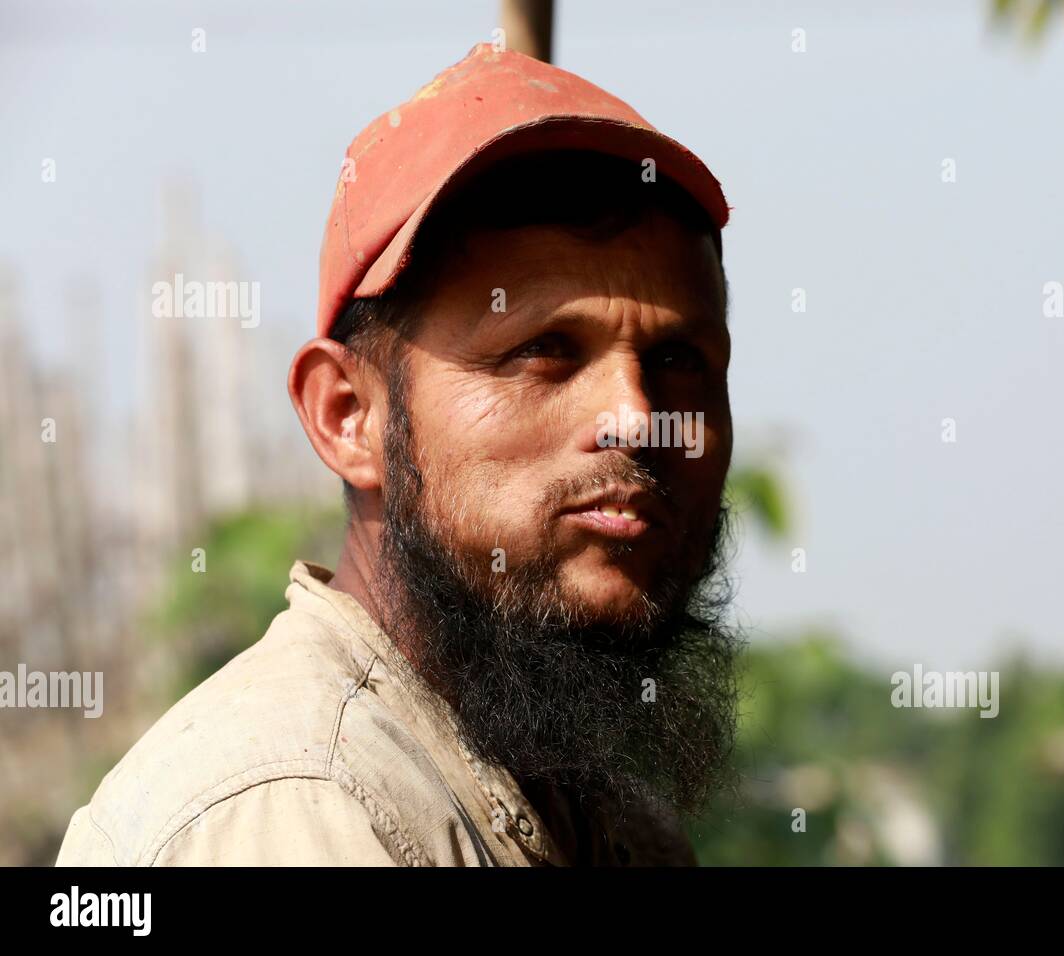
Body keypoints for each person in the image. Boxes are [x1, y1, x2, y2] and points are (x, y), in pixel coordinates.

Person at [56, 42, 741, 866]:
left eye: (679, 359)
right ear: (349, 416)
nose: (637, 418)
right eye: (544, 350)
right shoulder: (296, 813)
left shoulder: (611, 827)